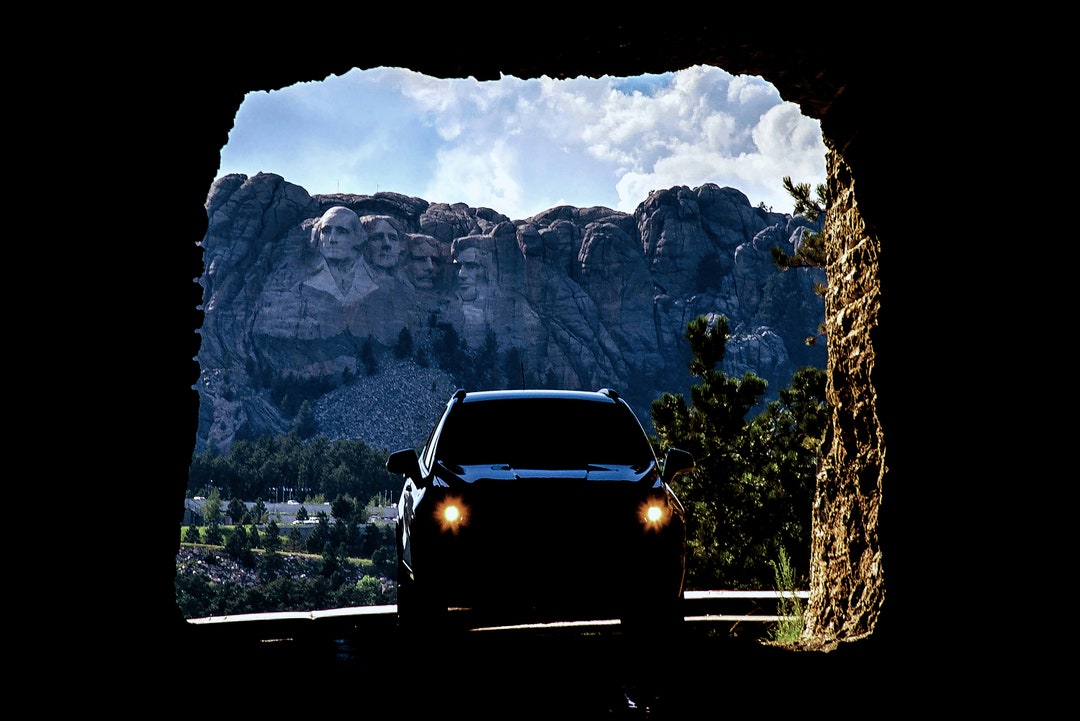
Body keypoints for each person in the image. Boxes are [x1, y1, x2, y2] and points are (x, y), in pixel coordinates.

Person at [302, 206, 377, 303]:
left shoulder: (376, 278)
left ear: (357, 237)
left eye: (342, 232)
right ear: (317, 236)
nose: (332, 239)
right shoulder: (305, 278)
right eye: (326, 231)